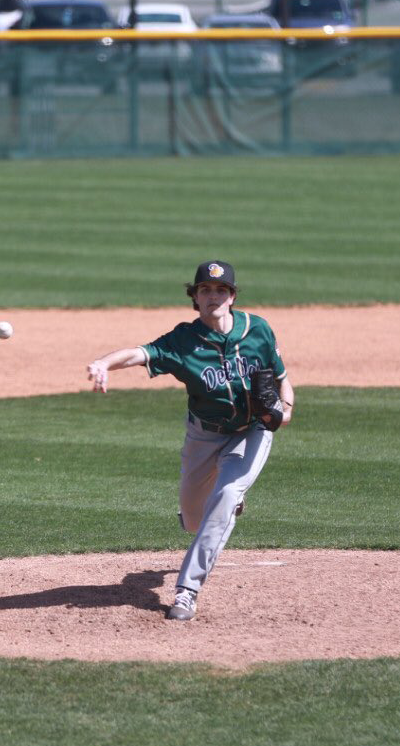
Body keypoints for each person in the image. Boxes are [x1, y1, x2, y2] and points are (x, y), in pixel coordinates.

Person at [86, 261, 293, 621]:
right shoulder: (183, 341)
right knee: (195, 519)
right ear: (195, 298)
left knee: (227, 494)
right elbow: (140, 353)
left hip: (251, 433)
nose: (213, 296)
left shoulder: (258, 330)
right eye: (205, 290)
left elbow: (282, 380)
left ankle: (186, 591)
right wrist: (104, 363)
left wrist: (284, 412)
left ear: (232, 296)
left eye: (220, 290)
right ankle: (222, 509)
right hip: (203, 435)